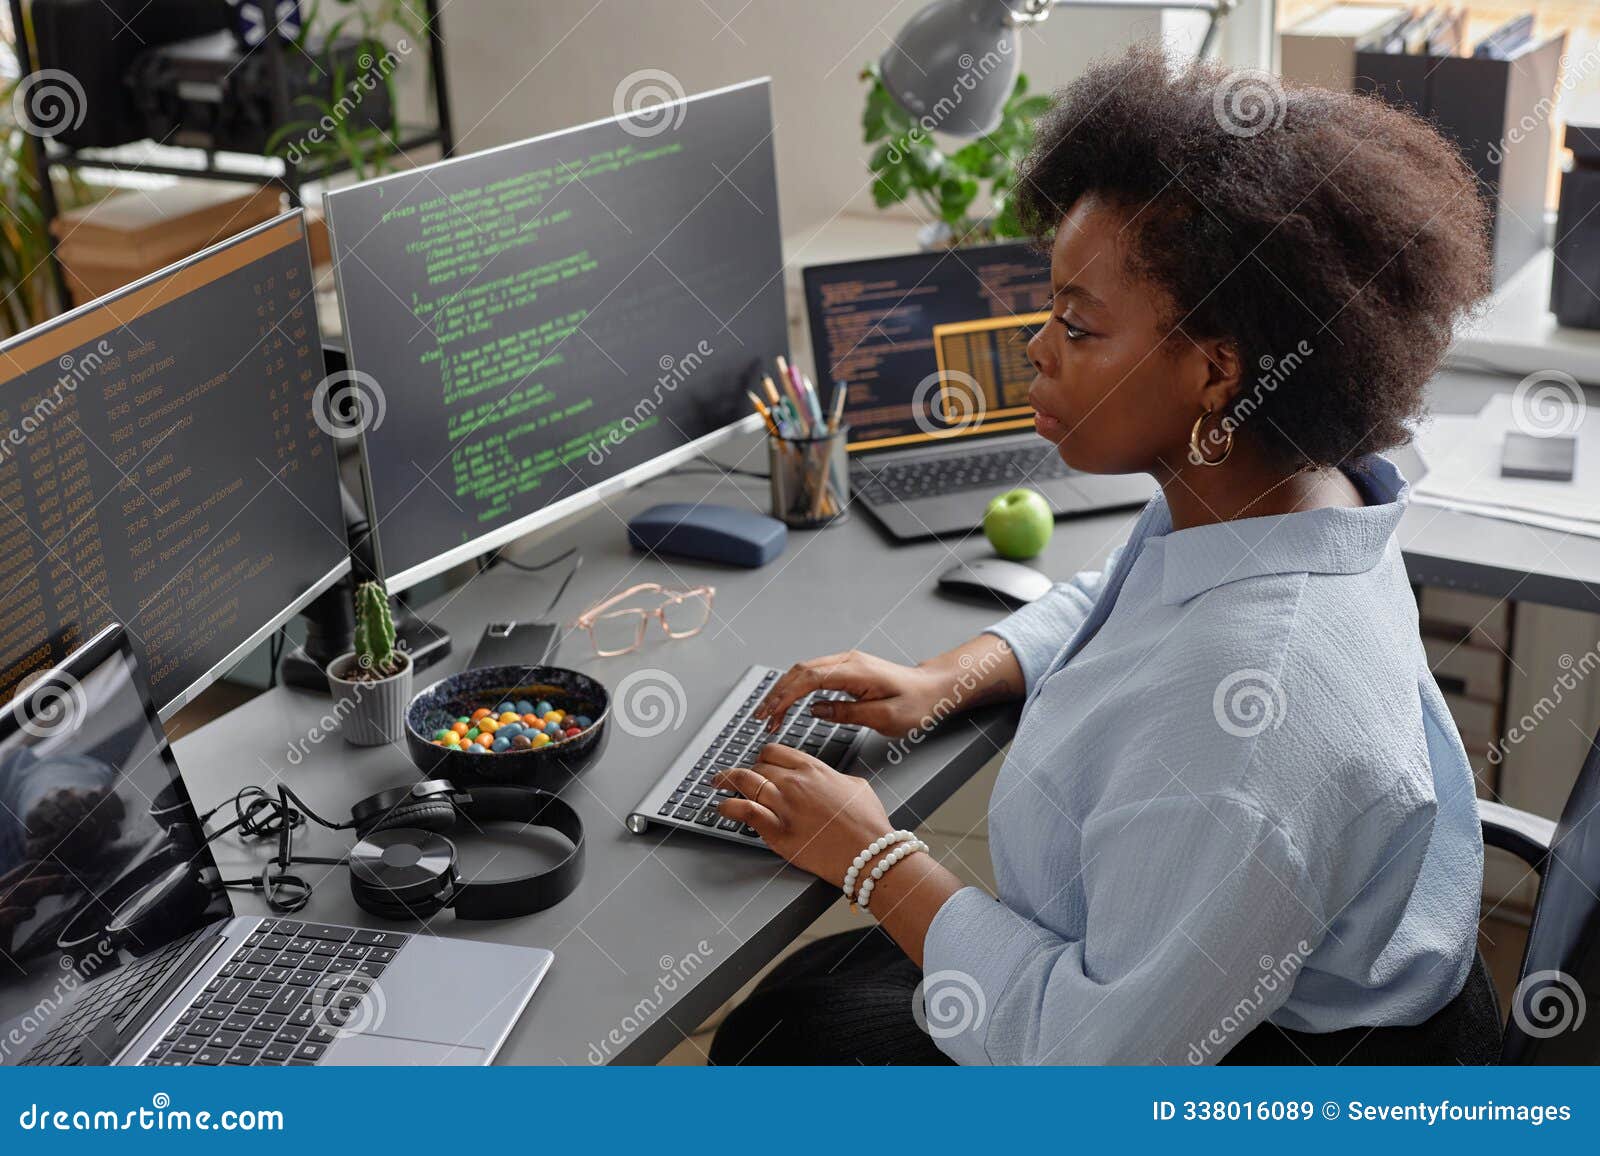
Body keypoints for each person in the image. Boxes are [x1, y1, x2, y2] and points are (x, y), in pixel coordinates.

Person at [707, 45, 1500, 1066]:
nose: (1036, 346)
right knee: (805, 1002)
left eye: (1076, 326)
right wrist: (950, 674)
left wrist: (868, 854)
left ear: (1216, 369)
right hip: (1205, 984)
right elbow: (1124, 594)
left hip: (1262, 1068)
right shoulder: (1287, 491)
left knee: (777, 1049)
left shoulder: (1252, 707)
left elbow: (1090, 1068)